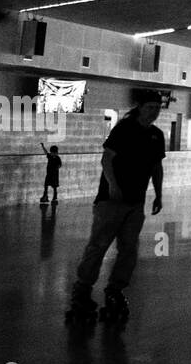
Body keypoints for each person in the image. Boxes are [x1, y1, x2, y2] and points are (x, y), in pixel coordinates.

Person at [66, 91, 166, 323]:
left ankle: (115, 289)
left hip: (136, 202)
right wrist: (113, 186)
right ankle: (82, 289)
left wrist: (158, 194)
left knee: (129, 248)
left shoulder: (156, 135)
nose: (154, 111)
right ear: (140, 107)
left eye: (158, 107)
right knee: (99, 245)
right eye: (150, 106)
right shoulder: (124, 129)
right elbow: (106, 159)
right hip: (112, 201)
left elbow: (156, 167)